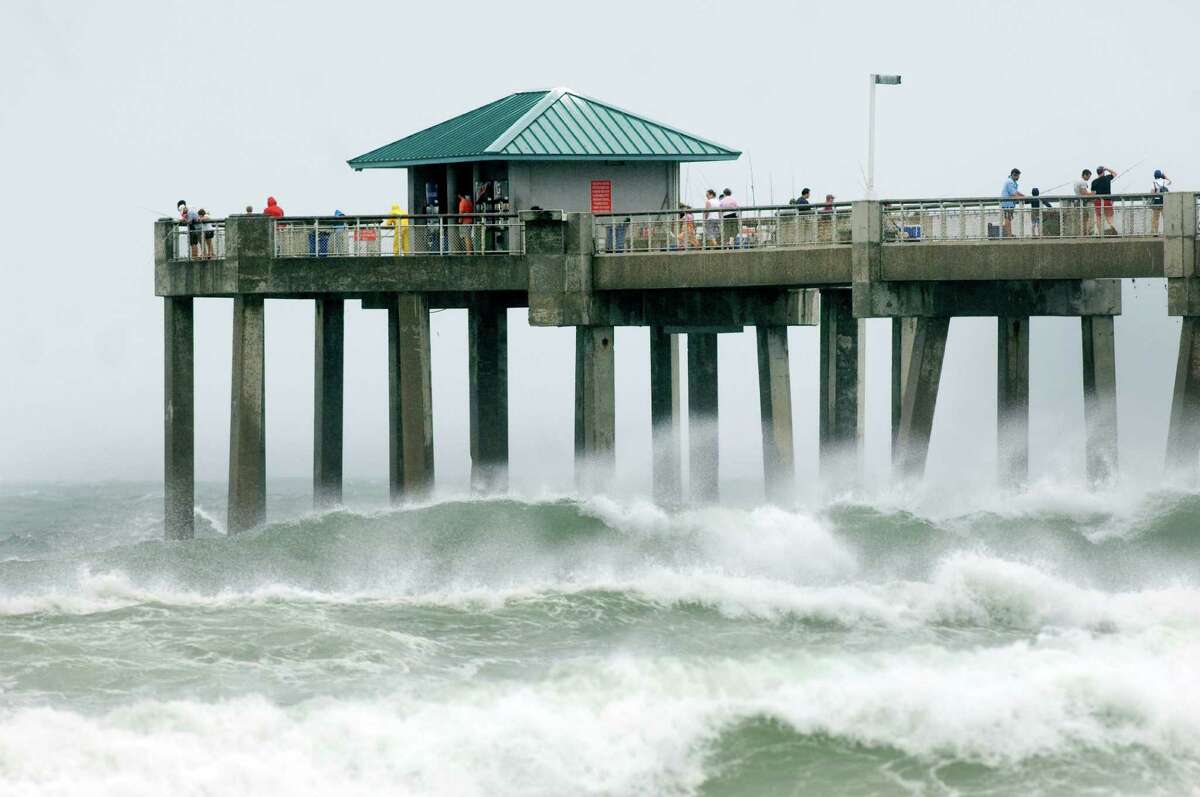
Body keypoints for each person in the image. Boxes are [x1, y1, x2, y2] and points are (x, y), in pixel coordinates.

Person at [1091, 166, 1118, 236]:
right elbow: (1115, 173)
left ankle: (1100, 234)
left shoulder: (1094, 182)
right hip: (1107, 201)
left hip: (1098, 201)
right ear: (1103, 172)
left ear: (1097, 173)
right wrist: (1107, 169)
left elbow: (1093, 194)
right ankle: (1112, 227)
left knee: (1098, 217)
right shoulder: (1107, 178)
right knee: (1109, 217)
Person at [1000, 168, 1024, 237]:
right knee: (1008, 219)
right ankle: (1009, 235)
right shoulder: (1010, 182)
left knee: (1008, 219)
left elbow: (1016, 192)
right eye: (1018, 176)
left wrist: (1023, 196)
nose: (1019, 177)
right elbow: (1013, 194)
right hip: (1007, 203)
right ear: (1014, 175)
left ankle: (1006, 233)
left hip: (1009, 203)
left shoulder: (1011, 182)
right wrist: (1022, 198)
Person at [1073, 169, 1094, 236]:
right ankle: (1085, 233)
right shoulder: (1083, 182)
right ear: (1085, 175)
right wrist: (1093, 193)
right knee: (1085, 217)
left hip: (1077, 201)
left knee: (1082, 217)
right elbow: (1084, 193)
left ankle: (1083, 232)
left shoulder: (1077, 181)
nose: (1089, 178)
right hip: (1081, 202)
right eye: (1088, 176)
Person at [1151, 169, 1172, 234]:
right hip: (1164, 202)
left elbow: (1152, 192)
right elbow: (1170, 181)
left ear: (1154, 175)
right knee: (1165, 218)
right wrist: (1164, 176)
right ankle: (1167, 232)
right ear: (1160, 175)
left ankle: (1155, 233)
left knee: (1156, 218)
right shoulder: (1164, 182)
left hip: (1156, 203)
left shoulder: (1153, 183)